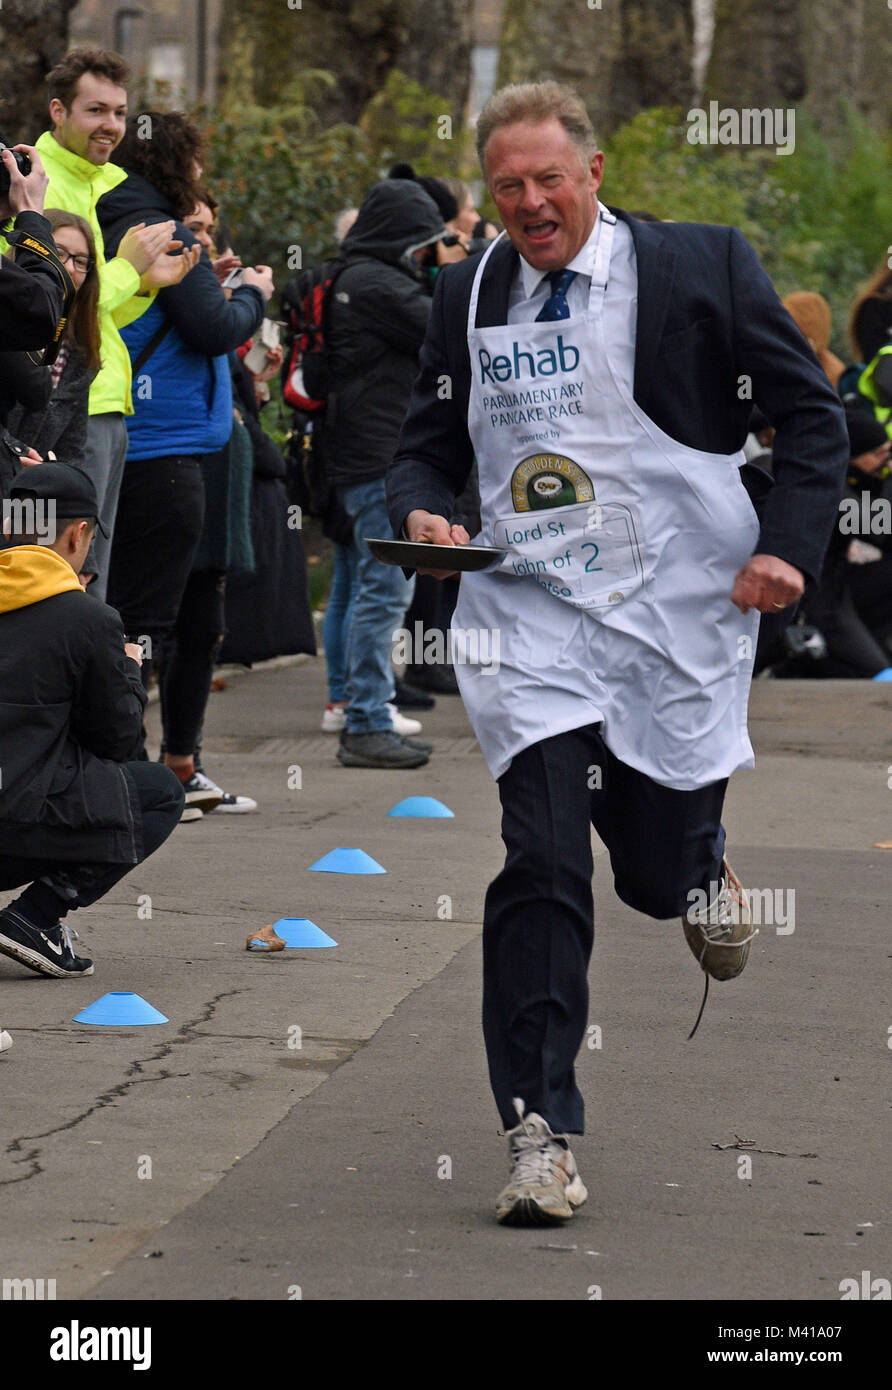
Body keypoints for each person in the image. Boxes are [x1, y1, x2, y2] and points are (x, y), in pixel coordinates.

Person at [388, 81, 848, 1225]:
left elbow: (815, 417)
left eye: (550, 178)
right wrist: (429, 512)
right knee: (541, 858)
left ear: (593, 175)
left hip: (677, 607)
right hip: (527, 614)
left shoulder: (700, 265)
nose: (531, 202)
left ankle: (697, 867)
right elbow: (426, 447)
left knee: (649, 875)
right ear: (488, 196)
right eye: (508, 186)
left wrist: (789, 552)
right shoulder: (468, 291)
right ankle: (538, 1127)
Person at [96, 111, 269, 784]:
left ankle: (146, 763)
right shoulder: (157, 230)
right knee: (149, 619)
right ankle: (129, 767)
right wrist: (252, 294)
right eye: (194, 161)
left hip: (132, 439)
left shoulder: (107, 220)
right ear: (174, 165)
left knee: (133, 610)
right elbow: (212, 327)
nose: (200, 173)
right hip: (164, 450)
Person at [0, 463, 183, 981]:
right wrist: (126, 668)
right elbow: (119, 740)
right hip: (17, 831)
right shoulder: (88, 620)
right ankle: (36, 916)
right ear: (80, 533)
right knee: (159, 792)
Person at [37, 47, 198, 600]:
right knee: (62, 575)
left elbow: (97, 315)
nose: (111, 126)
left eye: (119, 114)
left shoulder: (93, 182)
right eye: (95, 111)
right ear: (58, 111)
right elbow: (49, 308)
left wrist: (148, 282)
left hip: (105, 402)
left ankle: (87, 685)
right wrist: (128, 269)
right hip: (68, 406)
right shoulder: (40, 185)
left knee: (88, 576)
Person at [321, 177, 464, 769]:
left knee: (358, 589)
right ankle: (367, 719)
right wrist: (456, 270)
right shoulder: (376, 283)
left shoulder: (359, 276)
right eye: (425, 241)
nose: (430, 251)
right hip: (377, 459)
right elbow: (447, 329)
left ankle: (358, 708)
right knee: (383, 594)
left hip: (358, 457)